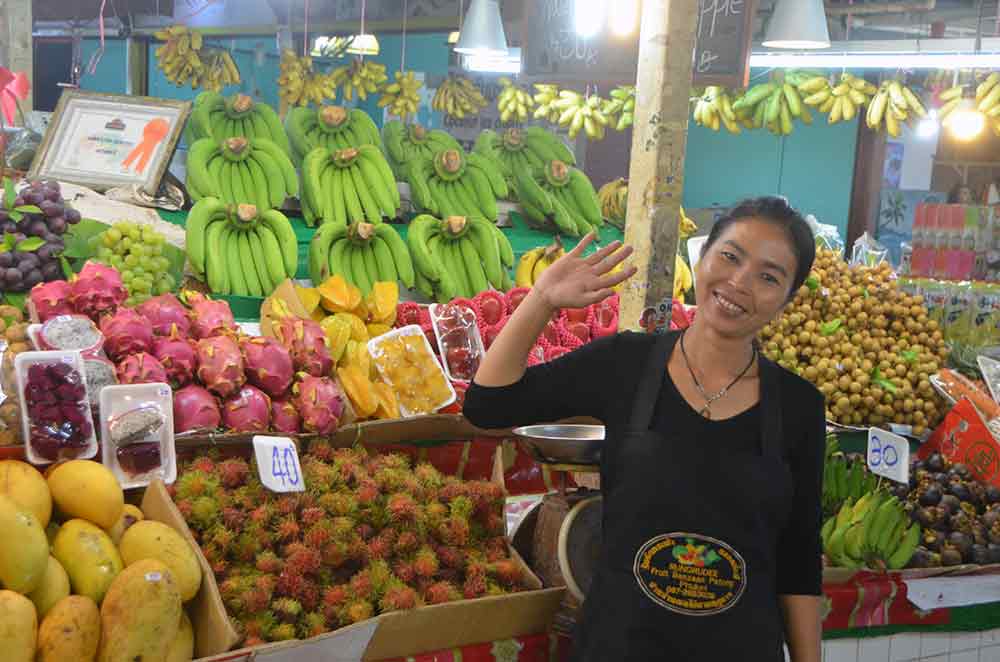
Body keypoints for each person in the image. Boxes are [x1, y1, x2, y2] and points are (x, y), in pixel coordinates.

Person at [463, 196, 825, 662]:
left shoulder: (798, 406)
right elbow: (489, 404)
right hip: (620, 647)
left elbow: (798, 557)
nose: (739, 282)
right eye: (730, 257)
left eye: (769, 276)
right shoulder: (626, 364)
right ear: (703, 258)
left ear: (788, 298)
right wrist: (543, 299)